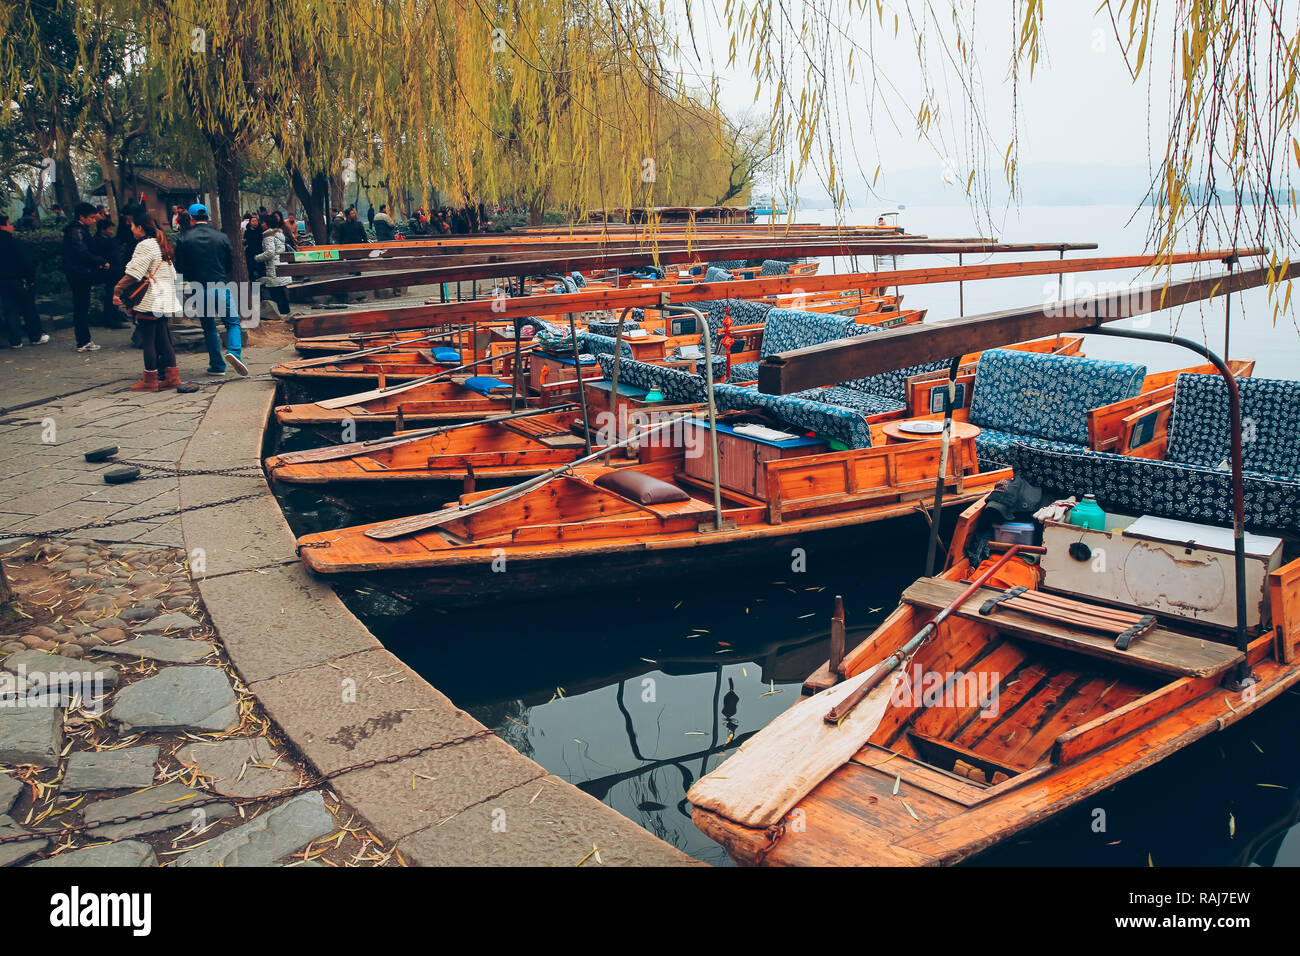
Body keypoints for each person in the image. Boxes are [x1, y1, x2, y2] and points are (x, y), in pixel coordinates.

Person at [173, 203, 247, 376]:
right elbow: (230, 262)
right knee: (232, 323)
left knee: (209, 327)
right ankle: (234, 352)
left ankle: (217, 365)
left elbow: (181, 266)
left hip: (198, 288)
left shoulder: (184, 239)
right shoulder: (221, 237)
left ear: (191, 218)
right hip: (220, 285)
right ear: (207, 217)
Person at [113, 213, 182, 391]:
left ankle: (150, 380)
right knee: (164, 339)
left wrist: (117, 289)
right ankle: (172, 377)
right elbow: (173, 274)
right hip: (165, 298)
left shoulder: (145, 245)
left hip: (151, 299)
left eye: (133, 226)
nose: (131, 229)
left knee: (148, 340)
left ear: (141, 228)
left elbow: (134, 273)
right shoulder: (162, 244)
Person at [62, 202, 110, 351]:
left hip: (78, 272)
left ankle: (84, 340)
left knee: (81, 305)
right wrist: (100, 262)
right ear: (82, 217)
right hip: (80, 273)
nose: (94, 221)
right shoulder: (76, 231)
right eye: (91, 217)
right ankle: (83, 341)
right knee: (81, 305)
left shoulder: (78, 230)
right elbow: (82, 252)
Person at [0, 215, 47, 348]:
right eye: (9, 224)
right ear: (3, 225)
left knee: (10, 310)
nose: (12, 227)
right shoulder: (15, 242)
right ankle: (35, 336)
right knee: (28, 309)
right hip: (19, 280)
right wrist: (31, 278)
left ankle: (15, 340)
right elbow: (26, 262)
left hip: (3, 282)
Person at [254, 212, 292, 316]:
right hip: (282, 266)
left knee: (276, 294)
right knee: (281, 294)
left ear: (267, 224)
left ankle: (280, 316)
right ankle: (286, 314)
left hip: (274, 267)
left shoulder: (268, 236)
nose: (261, 224)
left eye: (263, 222)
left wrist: (256, 258)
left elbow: (270, 253)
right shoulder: (279, 234)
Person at [93, 217, 128, 330]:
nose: (111, 231)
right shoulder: (99, 241)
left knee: (114, 295)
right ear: (102, 230)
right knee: (111, 296)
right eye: (109, 229)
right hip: (109, 273)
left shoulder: (107, 240)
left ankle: (114, 317)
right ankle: (112, 319)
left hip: (115, 271)